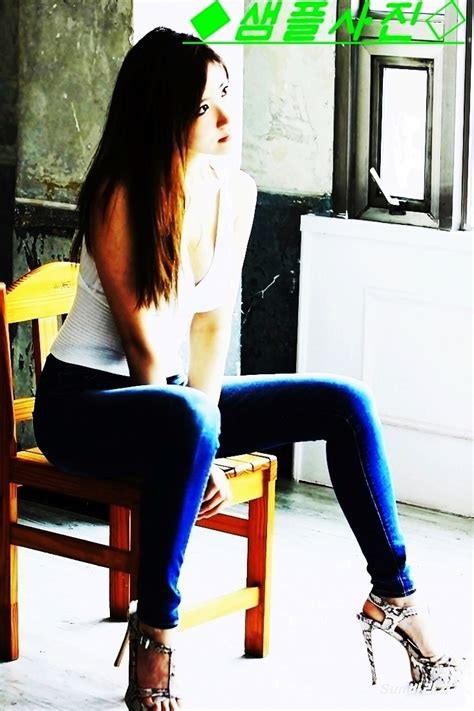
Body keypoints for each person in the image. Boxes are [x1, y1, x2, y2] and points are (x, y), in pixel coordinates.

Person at [32, 26, 462, 711]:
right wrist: (199, 445)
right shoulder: (122, 194)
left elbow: (209, 327)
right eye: (204, 106)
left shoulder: (234, 192)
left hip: (174, 401)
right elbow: (146, 345)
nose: (226, 115)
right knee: (187, 415)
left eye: (226, 92)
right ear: (164, 115)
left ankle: (396, 596)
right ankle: (156, 635)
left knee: (344, 402)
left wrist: (199, 430)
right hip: (83, 407)